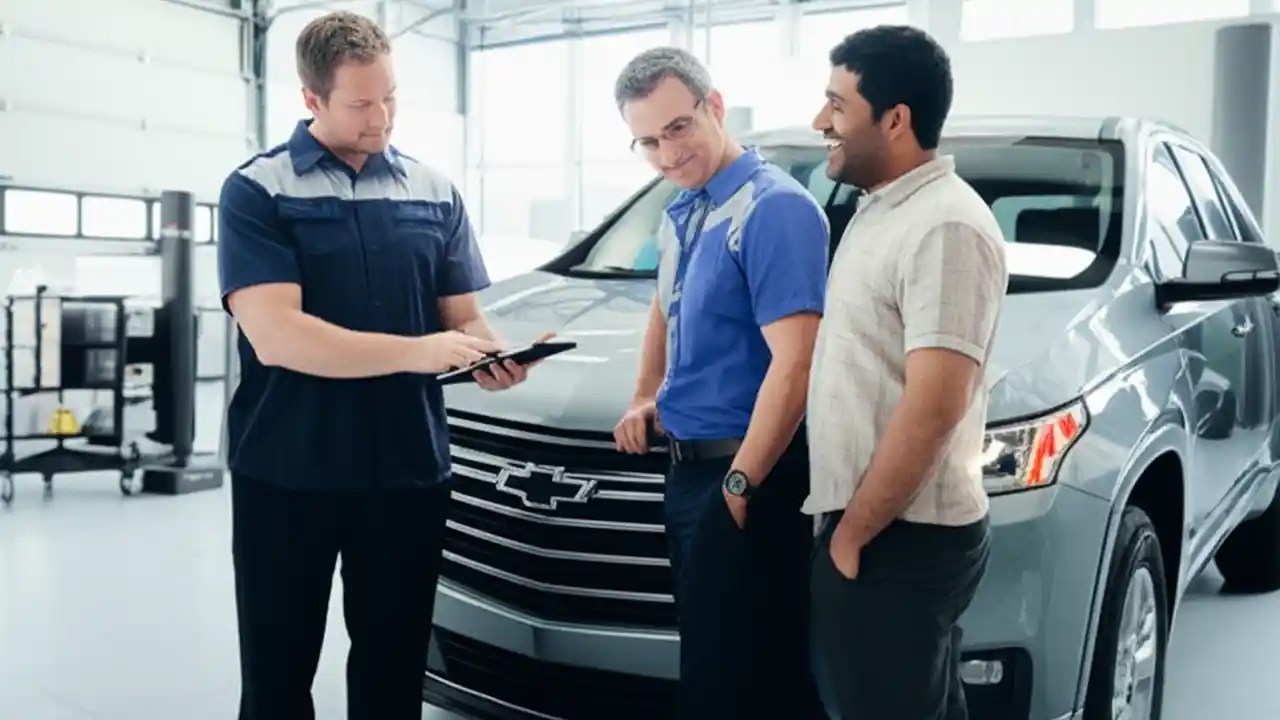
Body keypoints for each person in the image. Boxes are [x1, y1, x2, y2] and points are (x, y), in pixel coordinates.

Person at [216, 11, 547, 720]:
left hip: (406, 473)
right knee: (277, 676)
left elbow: (462, 318)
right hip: (287, 473)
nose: (383, 117)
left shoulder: (434, 190)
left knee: (394, 671)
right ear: (312, 100)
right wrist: (419, 353)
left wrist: (493, 353)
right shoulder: (257, 191)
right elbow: (279, 337)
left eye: (391, 96)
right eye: (362, 103)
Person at [610, 47, 829, 720]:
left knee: (740, 684)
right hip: (691, 473)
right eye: (647, 140)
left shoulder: (773, 210)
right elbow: (663, 303)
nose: (666, 153)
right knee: (716, 665)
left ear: (715, 107)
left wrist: (740, 484)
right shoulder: (686, 208)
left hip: (747, 475)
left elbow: (797, 364)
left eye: (678, 128)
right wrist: (646, 392)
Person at [804, 25, 1009, 720]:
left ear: (894, 119)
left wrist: (854, 534)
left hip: (902, 535)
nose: (820, 121)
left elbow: (934, 405)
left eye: (837, 104)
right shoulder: (883, 211)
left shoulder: (945, 226)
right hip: (877, 527)